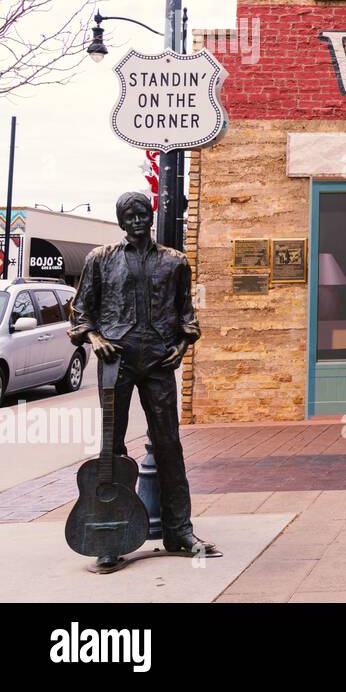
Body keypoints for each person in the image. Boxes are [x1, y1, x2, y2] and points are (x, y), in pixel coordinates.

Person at [69, 192, 219, 565]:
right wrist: (96, 338)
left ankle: (179, 530)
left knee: (169, 444)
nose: (136, 220)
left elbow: (187, 314)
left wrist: (182, 346)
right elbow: (81, 311)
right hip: (115, 360)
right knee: (112, 447)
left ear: (150, 217)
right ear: (121, 221)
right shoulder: (100, 259)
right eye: (129, 215)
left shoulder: (175, 262)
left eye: (142, 214)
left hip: (157, 360)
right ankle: (111, 537)